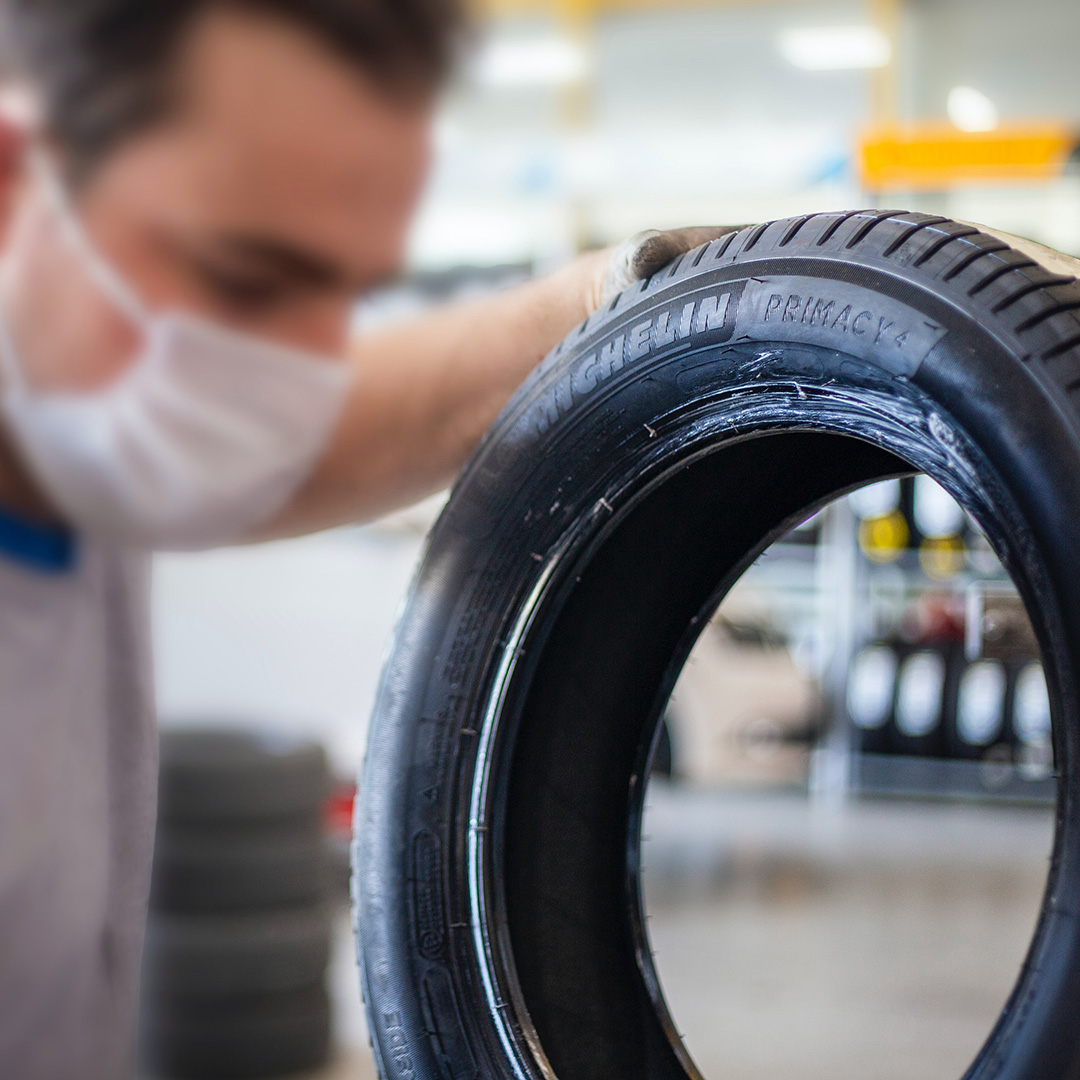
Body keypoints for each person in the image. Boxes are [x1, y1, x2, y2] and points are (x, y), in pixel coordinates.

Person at [0, 2, 728, 1076]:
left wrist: (621, 292)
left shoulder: (75, 438)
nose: (291, 356)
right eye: (245, 277)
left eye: (333, 285)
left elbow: (358, 417)